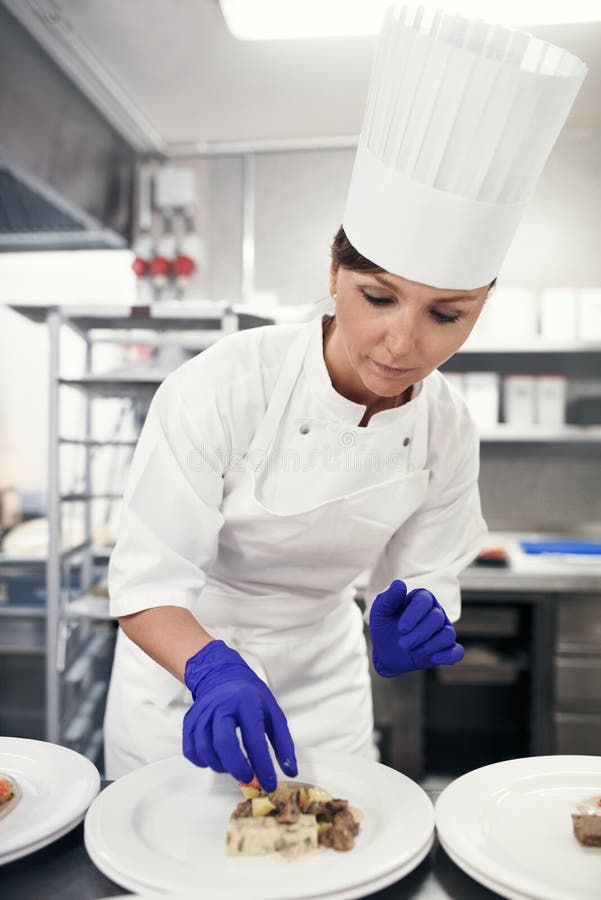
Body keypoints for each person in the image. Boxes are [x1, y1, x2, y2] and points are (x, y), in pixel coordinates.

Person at [103, 7, 586, 786]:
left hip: (325, 686)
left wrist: (417, 614)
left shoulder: (445, 427)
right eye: (377, 298)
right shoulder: (223, 386)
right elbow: (146, 581)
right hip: (186, 677)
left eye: (446, 315)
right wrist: (211, 669)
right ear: (334, 274)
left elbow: (424, 571)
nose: (402, 344)